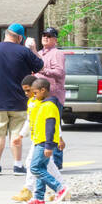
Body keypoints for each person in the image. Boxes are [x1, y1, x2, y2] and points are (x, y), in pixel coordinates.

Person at [0, 23, 43, 174]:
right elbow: (40, 66)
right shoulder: (24, 52)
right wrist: (33, 49)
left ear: (6, 33)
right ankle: (18, 165)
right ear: (20, 37)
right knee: (16, 133)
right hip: (19, 100)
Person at [26, 79, 69, 204]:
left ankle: (60, 188)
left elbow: (50, 127)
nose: (34, 96)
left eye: (35, 93)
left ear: (43, 90)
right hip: (39, 140)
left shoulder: (49, 106)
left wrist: (49, 146)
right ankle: (39, 197)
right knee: (41, 167)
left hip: (44, 142)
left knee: (34, 168)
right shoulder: (42, 104)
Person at [35, 26, 67, 169]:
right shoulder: (39, 53)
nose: (45, 37)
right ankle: (44, 160)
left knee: (54, 128)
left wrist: (43, 70)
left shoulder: (57, 53)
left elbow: (59, 72)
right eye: (44, 35)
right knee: (41, 128)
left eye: (49, 35)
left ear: (55, 39)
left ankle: (57, 162)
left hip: (53, 96)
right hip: (39, 96)